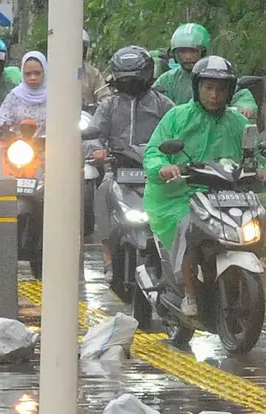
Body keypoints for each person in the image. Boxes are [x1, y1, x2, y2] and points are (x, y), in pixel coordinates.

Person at [143, 56, 249, 317]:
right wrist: (164, 168)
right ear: (197, 88)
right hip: (179, 194)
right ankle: (190, 292)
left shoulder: (239, 122)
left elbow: (253, 153)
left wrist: (261, 169)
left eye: (221, 89)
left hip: (226, 195)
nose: (214, 95)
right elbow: (154, 151)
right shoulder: (177, 117)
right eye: (208, 88)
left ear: (230, 91)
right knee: (190, 231)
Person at [88, 45, 175, 280]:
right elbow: (95, 131)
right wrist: (97, 149)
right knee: (103, 192)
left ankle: (173, 256)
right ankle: (108, 257)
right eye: (125, 80)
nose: (131, 84)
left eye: (135, 79)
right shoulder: (109, 105)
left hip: (157, 169)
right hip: (118, 168)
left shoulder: (163, 104)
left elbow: (178, 130)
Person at [152, 23, 258, 119]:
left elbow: (239, 94)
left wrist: (244, 106)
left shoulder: (218, 73)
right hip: (177, 132)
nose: (188, 57)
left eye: (193, 51)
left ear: (204, 51)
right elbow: (151, 101)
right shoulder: (167, 80)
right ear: (175, 54)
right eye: (182, 51)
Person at [0, 52, 49, 135]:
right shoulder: (15, 95)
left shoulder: (55, 95)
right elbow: (0, 122)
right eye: (28, 74)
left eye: (37, 73)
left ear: (45, 72)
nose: (32, 78)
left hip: (50, 145)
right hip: (18, 145)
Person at [81, 31, 111, 106]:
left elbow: (105, 97)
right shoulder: (56, 72)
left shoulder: (93, 73)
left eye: (82, 47)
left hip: (86, 116)